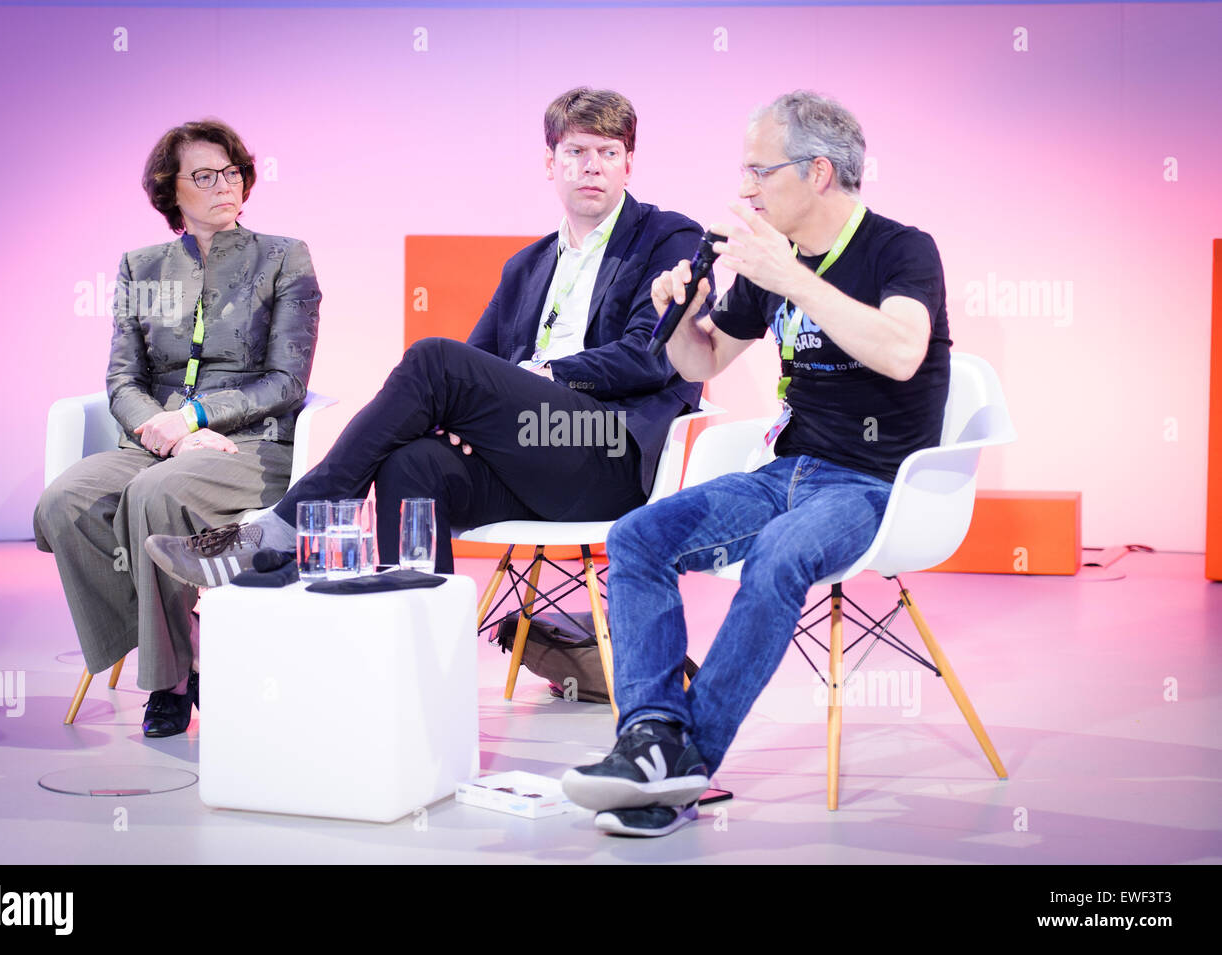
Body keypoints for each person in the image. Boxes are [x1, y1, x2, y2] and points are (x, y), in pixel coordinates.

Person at [561, 90, 952, 837]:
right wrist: (679, 312)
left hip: (876, 485)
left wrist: (792, 276)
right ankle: (651, 734)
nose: (743, 189)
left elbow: (903, 352)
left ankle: (683, 765)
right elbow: (701, 357)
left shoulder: (902, 249)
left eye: (756, 171)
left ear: (818, 174)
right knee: (637, 538)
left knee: (778, 556)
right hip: (786, 471)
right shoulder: (777, 260)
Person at [145, 87, 703, 586]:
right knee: (409, 461)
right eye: (576, 152)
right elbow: (481, 366)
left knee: (435, 359)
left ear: (629, 164)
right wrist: (477, 420)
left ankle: (287, 525)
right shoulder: (526, 266)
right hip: (526, 459)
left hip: (603, 451)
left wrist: (540, 375)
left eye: (609, 153)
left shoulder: (669, 237)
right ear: (550, 163)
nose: (593, 167)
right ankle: (418, 639)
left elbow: (653, 356)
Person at [34, 120, 321, 738]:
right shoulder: (142, 267)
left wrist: (194, 417)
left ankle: (165, 683)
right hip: (157, 443)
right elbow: (121, 381)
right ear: (172, 191)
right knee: (64, 500)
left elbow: (286, 381)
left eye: (233, 171)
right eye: (206, 175)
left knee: (154, 495)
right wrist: (163, 432)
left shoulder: (283, 257)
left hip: (249, 442)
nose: (226, 184)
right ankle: (179, 648)